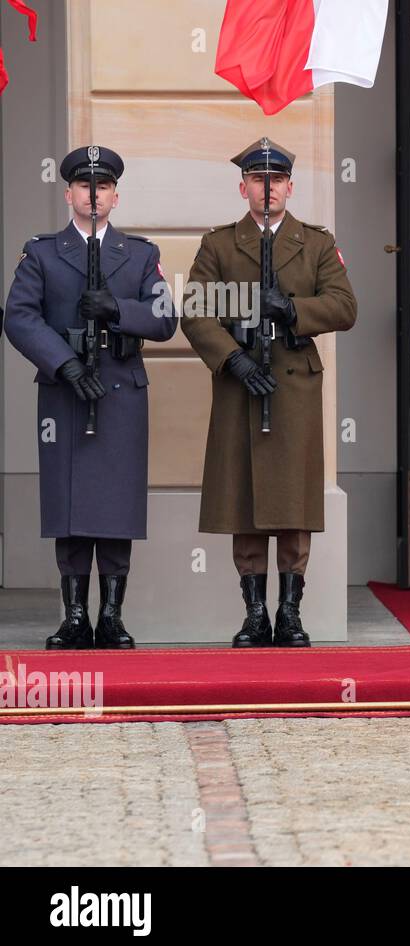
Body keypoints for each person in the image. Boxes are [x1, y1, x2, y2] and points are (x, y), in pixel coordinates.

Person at [181, 138, 357, 648]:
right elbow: (195, 310)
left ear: (289, 186)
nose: (268, 188)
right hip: (242, 382)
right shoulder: (218, 244)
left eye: (276, 180)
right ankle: (255, 612)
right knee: (245, 497)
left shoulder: (317, 243)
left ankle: (291, 611)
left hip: (293, 383)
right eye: (258, 180)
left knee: (294, 500)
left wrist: (294, 310)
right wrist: (231, 358)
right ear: (244, 188)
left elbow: (345, 307)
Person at [3, 146, 175, 649]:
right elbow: (19, 317)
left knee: (117, 505)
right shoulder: (41, 252)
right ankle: (76, 615)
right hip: (66, 392)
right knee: (71, 505)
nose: (93, 195)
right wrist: (64, 362)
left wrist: (118, 308)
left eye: (102, 188)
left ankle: (112, 616)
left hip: (120, 391)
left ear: (115, 197)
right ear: (69, 194)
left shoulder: (141, 255)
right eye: (84, 187)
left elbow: (165, 317)